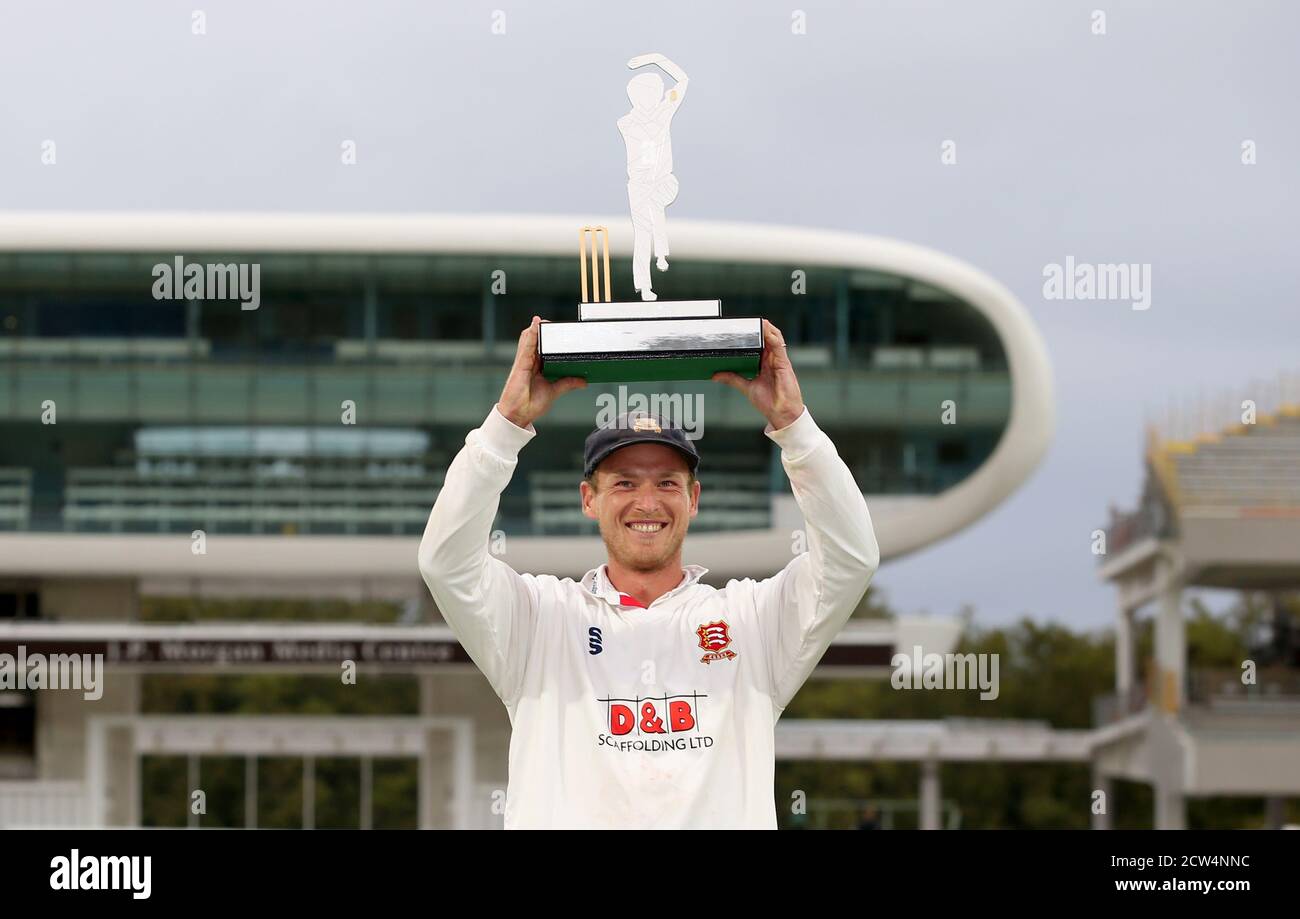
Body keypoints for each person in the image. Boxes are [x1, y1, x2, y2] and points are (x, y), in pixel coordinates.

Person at [418, 316, 880, 828]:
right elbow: (446, 563)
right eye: (623, 483)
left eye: (666, 483)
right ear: (589, 499)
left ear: (693, 499)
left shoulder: (752, 619)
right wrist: (504, 427)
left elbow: (851, 558)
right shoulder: (539, 619)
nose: (646, 502)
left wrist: (795, 428)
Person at [617, 53, 688, 301]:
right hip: (638, 186)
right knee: (641, 235)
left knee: (658, 202)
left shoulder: (664, 112)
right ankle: (645, 285)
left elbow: (683, 80)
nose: (650, 99)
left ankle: (662, 253)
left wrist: (655, 59)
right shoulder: (626, 123)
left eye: (654, 93)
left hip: (663, 181)